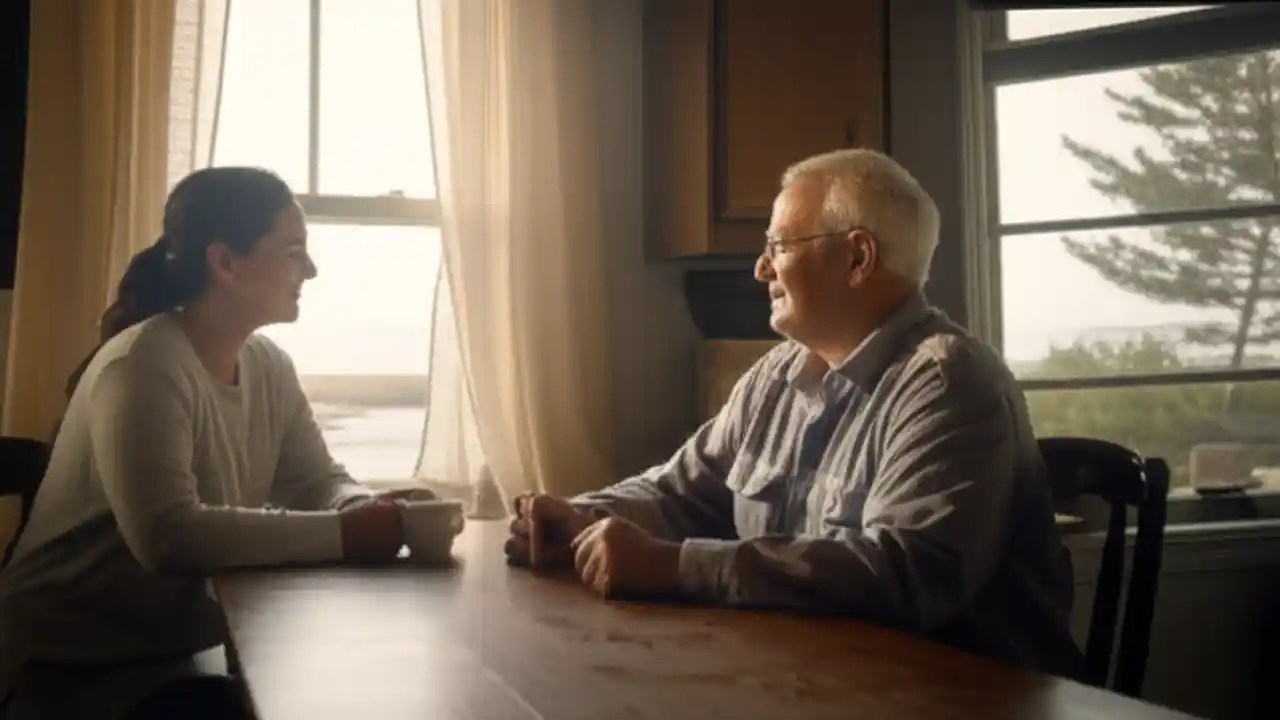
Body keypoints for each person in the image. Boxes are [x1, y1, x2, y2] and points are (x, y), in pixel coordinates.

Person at [506, 149, 1084, 677]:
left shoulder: (947, 383)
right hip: (813, 680)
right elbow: (682, 491)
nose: (760, 269)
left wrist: (676, 567)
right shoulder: (774, 374)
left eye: (779, 246)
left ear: (858, 257)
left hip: (962, 697)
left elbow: (903, 575)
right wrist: (582, 517)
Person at [0, 167, 419, 718]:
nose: (311, 269)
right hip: (64, 674)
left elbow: (316, 479)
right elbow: (168, 535)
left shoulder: (268, 365)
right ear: (225, 263)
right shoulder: (143, 365)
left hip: (172, 658)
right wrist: (347, 534)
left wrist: (362, 505)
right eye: (292, 250)